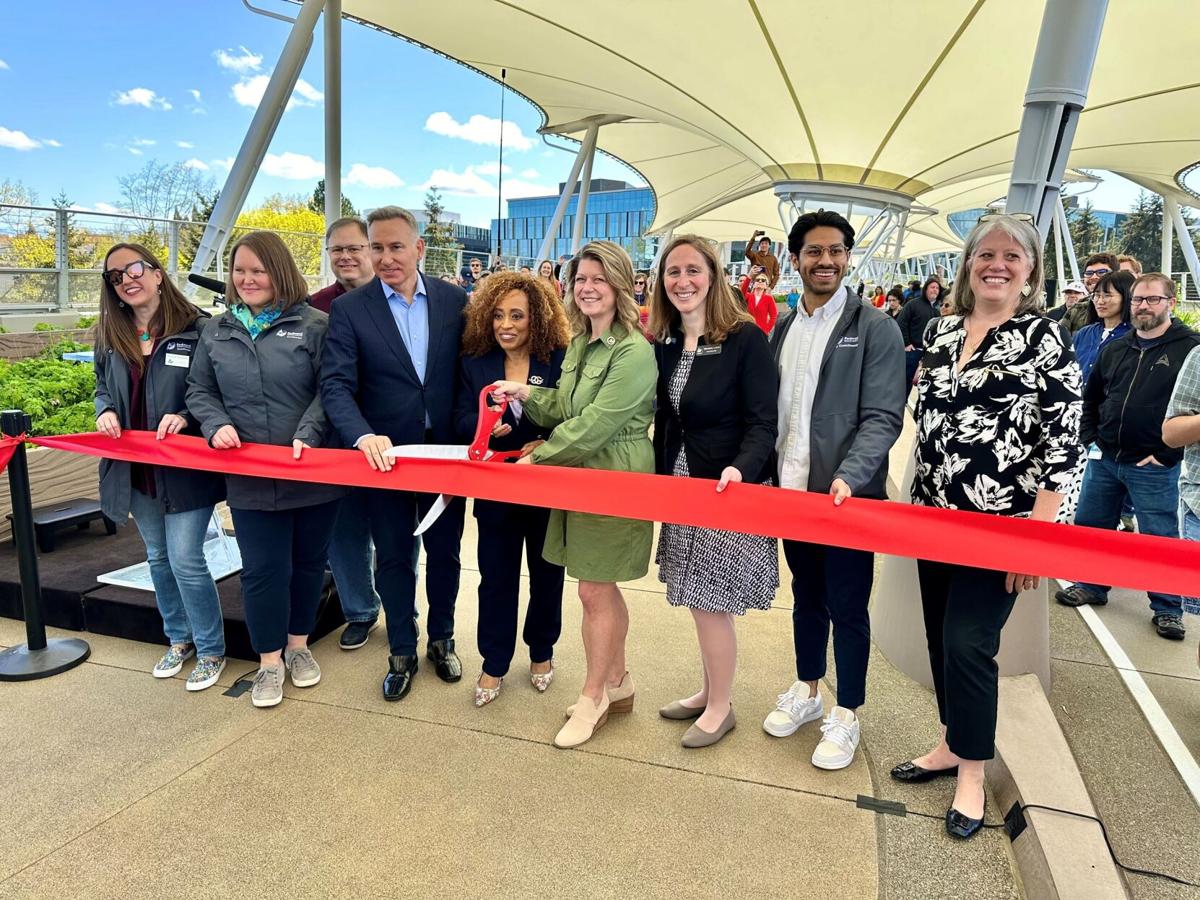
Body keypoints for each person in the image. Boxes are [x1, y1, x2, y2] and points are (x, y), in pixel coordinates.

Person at [893, 214, 1083, 839]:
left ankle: (972, 771)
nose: (996, 265)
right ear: (968, 264)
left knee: (970, 644)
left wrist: (1037, 537)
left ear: (1030, 272)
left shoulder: (1043, 339)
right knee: (939, 637)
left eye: (1011, 257)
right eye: (985, 255)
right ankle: (954, 740)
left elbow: (1063, 445)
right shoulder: (944, 333)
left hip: (1001, 528)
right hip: (931, 518)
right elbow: (925, 419)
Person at [491, 240, 655, 750]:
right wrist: (525, 394)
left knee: (592, 591)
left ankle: (593, 697)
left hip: (612, 472)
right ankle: (619, 683)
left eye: (599, 279)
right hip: (580, 471)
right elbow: (564, 403)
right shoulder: (583, 341)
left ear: (621, 286)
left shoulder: (634, 350)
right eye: (581, 279)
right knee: (599, 588)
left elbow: (596, 425)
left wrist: (536, 456)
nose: (587, 288)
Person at [763, 209, 905, 771]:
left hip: (846, 495)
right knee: (806, 596)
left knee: (848, 605)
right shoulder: (783, 326)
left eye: (836, 251)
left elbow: (882, 416)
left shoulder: (875, 328)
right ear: (796, 258)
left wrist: (852, 472)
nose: (826, 261)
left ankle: (846, 712)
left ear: (848, 257)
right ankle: (807, 688)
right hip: (792, 493)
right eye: (815, 252)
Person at [186, 231, 346, 709]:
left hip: (312, 472)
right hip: (250, 476)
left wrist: (310, 431)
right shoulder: (215, 331)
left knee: (306, 566)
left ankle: (299, 647)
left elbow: (331, 388)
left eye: (259, 270)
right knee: (261, 571)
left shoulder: (315, 325)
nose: (248, 279)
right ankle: (269, 661)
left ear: (280, 273)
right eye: (240, 270)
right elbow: (199, 390)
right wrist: (214, 425)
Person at [321, 206, 469, 701]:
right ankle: (402, 649)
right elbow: (337, 386)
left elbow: (470, 376)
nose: (386, 258)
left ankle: (442, 639)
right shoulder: (351, 310)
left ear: (419, 248)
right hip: (385, 458)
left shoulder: (454, 301)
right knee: (393, 558)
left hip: (447, 456)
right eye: (376, 248)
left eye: (395, 246)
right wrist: (363, 435)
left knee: (445, 555)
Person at [649, 235, 779, 748]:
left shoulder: (744, 338)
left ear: (713, 276)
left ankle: (721, 706)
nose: (682, 281)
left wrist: (742, 470)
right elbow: (666, 416)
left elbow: (763, 422)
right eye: (672, 272)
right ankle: (708, 691)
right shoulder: (667, 341)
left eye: (693, 270)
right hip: (682, 482)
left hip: (727, 486)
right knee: (697, 597)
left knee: (711, 600)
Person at [95, 243, 226, 691]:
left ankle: (210, 648)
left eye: (133, 269)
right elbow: (100, 388)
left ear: (156, 272)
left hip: (185, 469)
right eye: (115, 277)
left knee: (187, 558)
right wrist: (103, 411)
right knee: (157, 557)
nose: (126, 280)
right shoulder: (111, 335)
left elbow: (211, 389)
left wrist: (187, 416)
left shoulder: (199, 329)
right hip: (135, 471)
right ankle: (179, 637)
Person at [1055, 273, 1200, 640]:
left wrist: (1167, 454)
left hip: (1154, 465)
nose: (1143, 306)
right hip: (1105, 458)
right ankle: (1091, 584)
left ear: (1170, 301)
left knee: (1159, 538)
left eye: (1153, 299)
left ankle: (1168, 607)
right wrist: (1092, 439)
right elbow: (1092, 397)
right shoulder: (1117, 348)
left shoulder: (1188, 348)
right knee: (1092, 525)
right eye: (1138, 299)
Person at [456, 272, 569, 707]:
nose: (506, 324)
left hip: (544, 488)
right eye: (499, 314)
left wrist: (548, 441)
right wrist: (483, 428)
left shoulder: (559, 358)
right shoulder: (475, 362)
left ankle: (542, 651)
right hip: (495, 490)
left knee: (547, 575)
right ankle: (494, 662)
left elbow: (572, 415)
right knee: (496, 578)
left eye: (517, 315)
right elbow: (457, 417)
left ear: (536, 319)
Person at [307, 216, 383, 651]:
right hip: (338, 439)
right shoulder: (317, 306)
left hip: (392, 437)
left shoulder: (399, 298)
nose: (346, 257)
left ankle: (401, 605)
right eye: (337, 250)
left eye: (355, 248)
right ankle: (359, 610)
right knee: (345, 531)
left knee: (397, 534)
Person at [1072, 270, 1132, 383]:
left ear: (1126, 297)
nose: (1100, 301)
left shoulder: (1133, 337)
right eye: (1097, 295)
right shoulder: (1084, 333)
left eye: (1107, 295)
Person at [309, 217, 373, 314]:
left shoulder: (397, 298)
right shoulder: (315, 306)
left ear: (374, 250)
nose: (345, 256)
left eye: (353, 249)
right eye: (337, 249)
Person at [895, 277, 943, 390]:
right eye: (932, 287)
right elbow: (902, 323)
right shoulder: (913, 304)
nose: (935, 290)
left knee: (924, 385)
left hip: (927, 355)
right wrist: (906, 343)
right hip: (912, 351)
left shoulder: (937, 310)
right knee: (904, 384)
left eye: (937, 288)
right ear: (925, 289)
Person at [1063, 253, 1118, 335]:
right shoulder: (1077, 310)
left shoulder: (1128, 309)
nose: (1093, 277)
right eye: (1089, 273)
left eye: (1101, 272)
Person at [741, 270, 779, 334]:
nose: (760, 281)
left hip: (761, 332)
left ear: (766, 285)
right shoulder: (748, 296)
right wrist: (749, 277)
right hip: (747, 330)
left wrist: (766, 329)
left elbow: (774, 316)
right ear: (753, 284)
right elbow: (741, 293)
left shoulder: (769, 298)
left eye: (763, 280)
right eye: (757, 280)